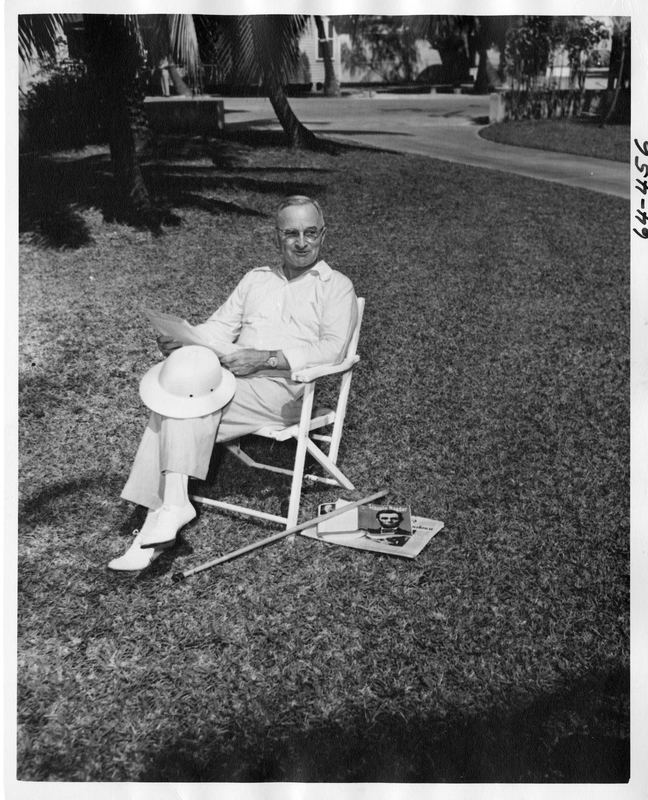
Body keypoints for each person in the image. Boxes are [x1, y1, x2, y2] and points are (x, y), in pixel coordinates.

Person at [108, 196, 358, 571]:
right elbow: (219, 328)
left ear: (323, 234)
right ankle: (167, 513)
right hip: (235, 381)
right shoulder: (256, 280)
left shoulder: (335, 286)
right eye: (291, 233)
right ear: (277, 236)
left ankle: (158, 519)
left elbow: (333, 349)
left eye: (310, 233)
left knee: (180, 405)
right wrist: (184, 337)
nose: (301, 243)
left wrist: (265, 358)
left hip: (285, 390)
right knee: (180, 398)